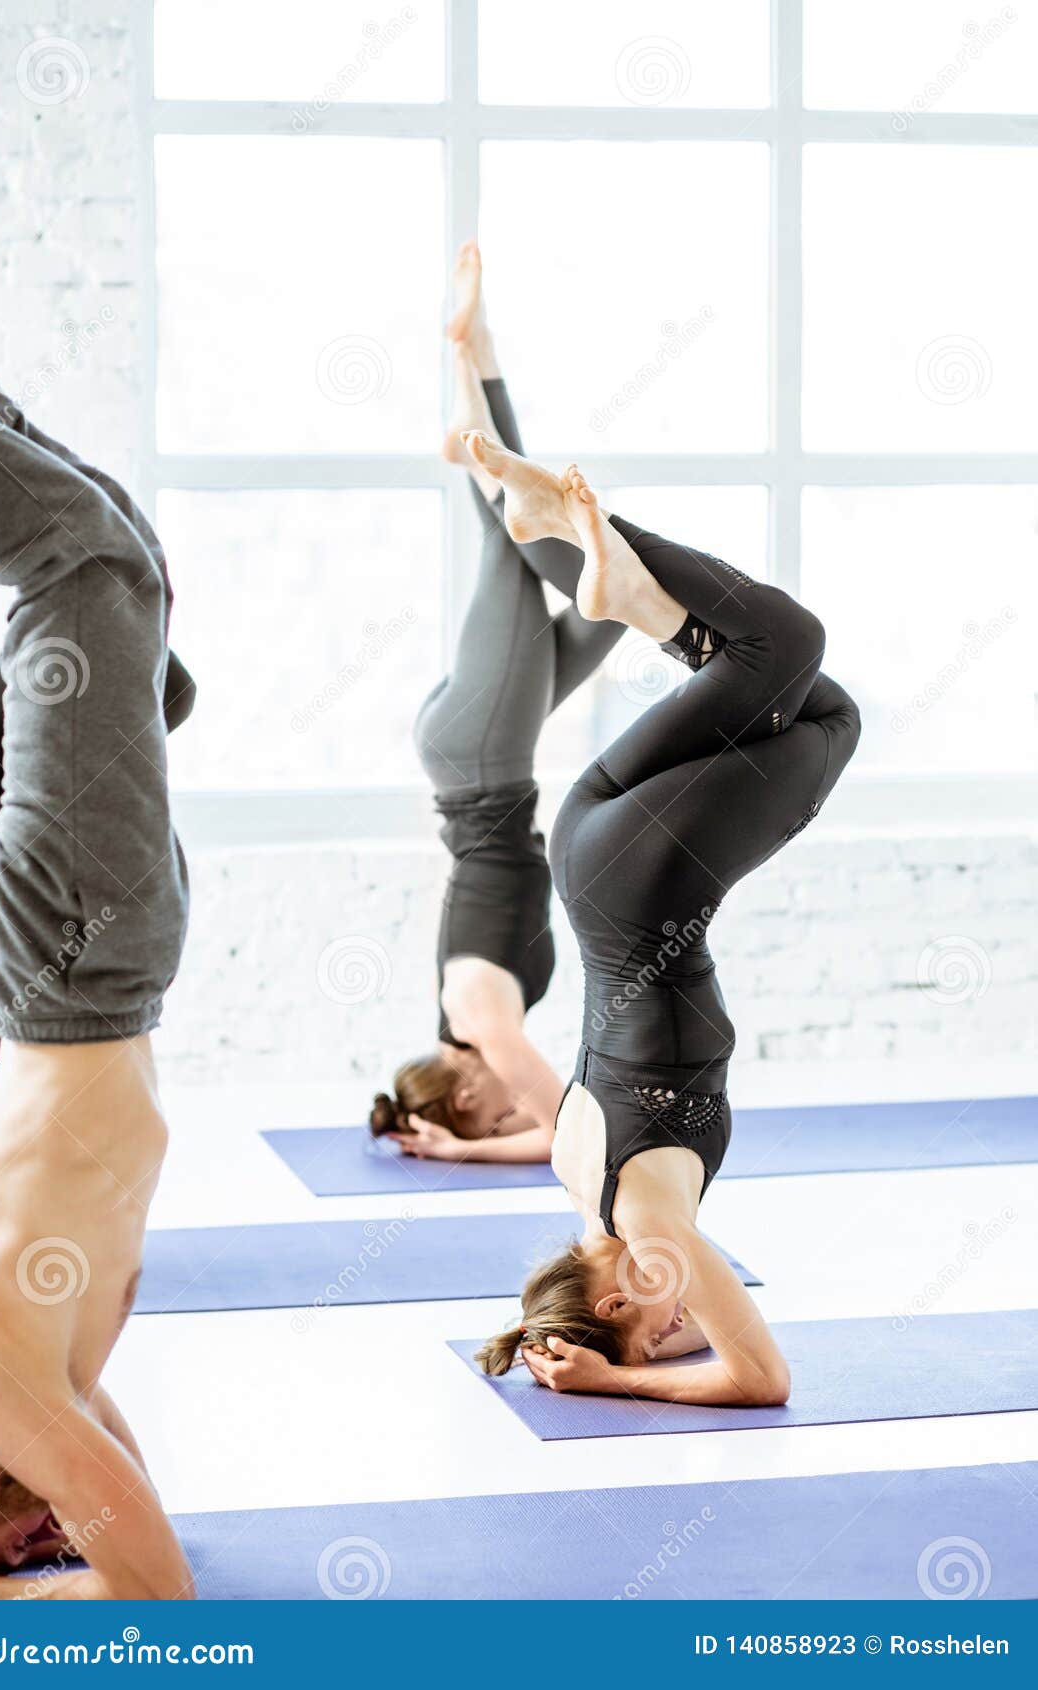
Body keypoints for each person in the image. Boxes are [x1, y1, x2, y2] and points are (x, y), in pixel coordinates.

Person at [469, 444, 860, 1404]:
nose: (677, 1331)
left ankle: (609, 571)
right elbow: (514, 1068)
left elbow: (761, 1381)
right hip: (587, 849)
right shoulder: (578, 1176)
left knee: (794, 663)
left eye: (651, 1340)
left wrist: (616, 1383)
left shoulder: (653, 1230)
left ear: (614, 1305)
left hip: (649, 882)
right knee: (793, 688)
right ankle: (594, 558)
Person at [0, 359, 194, 1597]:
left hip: (67, 964)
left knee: (86, 574)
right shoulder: (44, 1387)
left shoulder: (7, 1381)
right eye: (23, 1538)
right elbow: (150, 1569)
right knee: (123, 580)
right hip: (82, 964)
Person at [369, 244, 624, 1164]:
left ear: (467, 1087)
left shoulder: (480, 1017)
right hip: (487, 750)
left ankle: (471, 378)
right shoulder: (467, 1021)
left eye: (486, 1112)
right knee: (614, 597)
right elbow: (543, 1117)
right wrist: (450, 1138)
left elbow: (569, 1133)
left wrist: (458, 1153)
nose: (502, 1112)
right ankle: (478, 368)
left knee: (510, 532)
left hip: (481, 755)